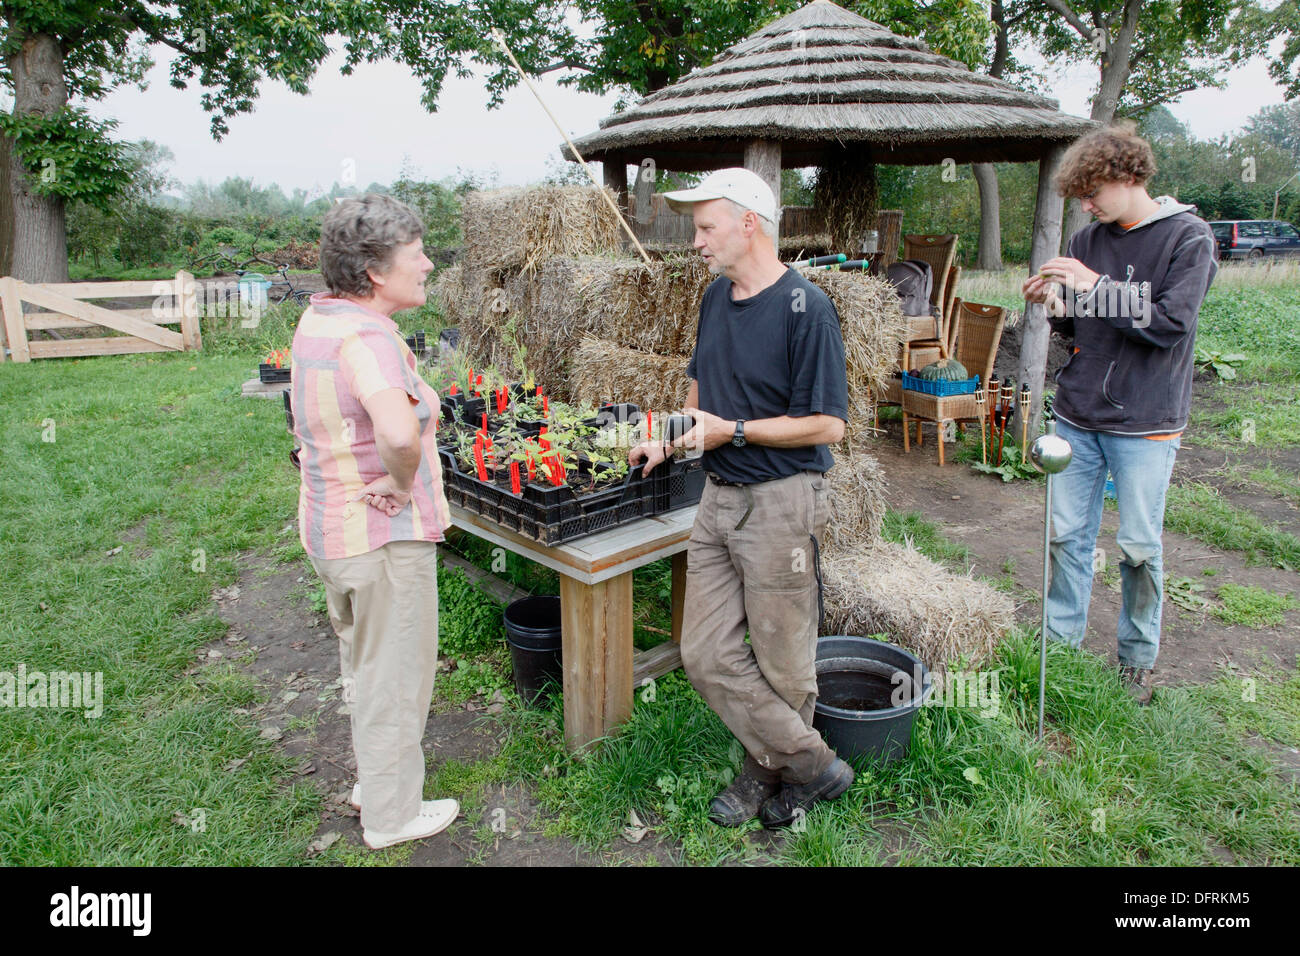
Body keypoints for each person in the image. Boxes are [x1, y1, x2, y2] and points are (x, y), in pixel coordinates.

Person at [629, 168, 854, 828]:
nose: (695, 241)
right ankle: (813, 764)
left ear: (748, 223)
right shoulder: (713, 299)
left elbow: (828, 424)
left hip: (782, 502)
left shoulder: (807, 309)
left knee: (783, 658)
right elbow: (701, 390)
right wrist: (669, 439)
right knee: (704, 652)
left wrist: (738, 432)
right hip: (718, 496)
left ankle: (765, 776)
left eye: (705, 227)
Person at [1021, 123, 1218, 705]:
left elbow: (1168, 324)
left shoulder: (1189, 237)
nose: (1086, 206)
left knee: (1137, 546)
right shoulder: (1088, 239)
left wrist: (1094, 284)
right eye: (1080, 196)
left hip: (1147, 422)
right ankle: (1060, 648)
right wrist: (1057, 305)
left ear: (1129, 176)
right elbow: (1082, 324)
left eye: (1093, 193)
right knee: (1065, 537)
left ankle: (1136, 661)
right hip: (1080, 414)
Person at [291, 193, 459, 848]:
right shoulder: (368, 341)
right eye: (414, 253)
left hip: (331, 528)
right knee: (395, 675)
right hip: (381, 542)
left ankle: (377, 783)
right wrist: (399, 479)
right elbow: (395, 429)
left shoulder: (322, 321)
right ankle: (392, 818)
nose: (426, 263)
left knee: (366, 665)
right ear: (374, 272)